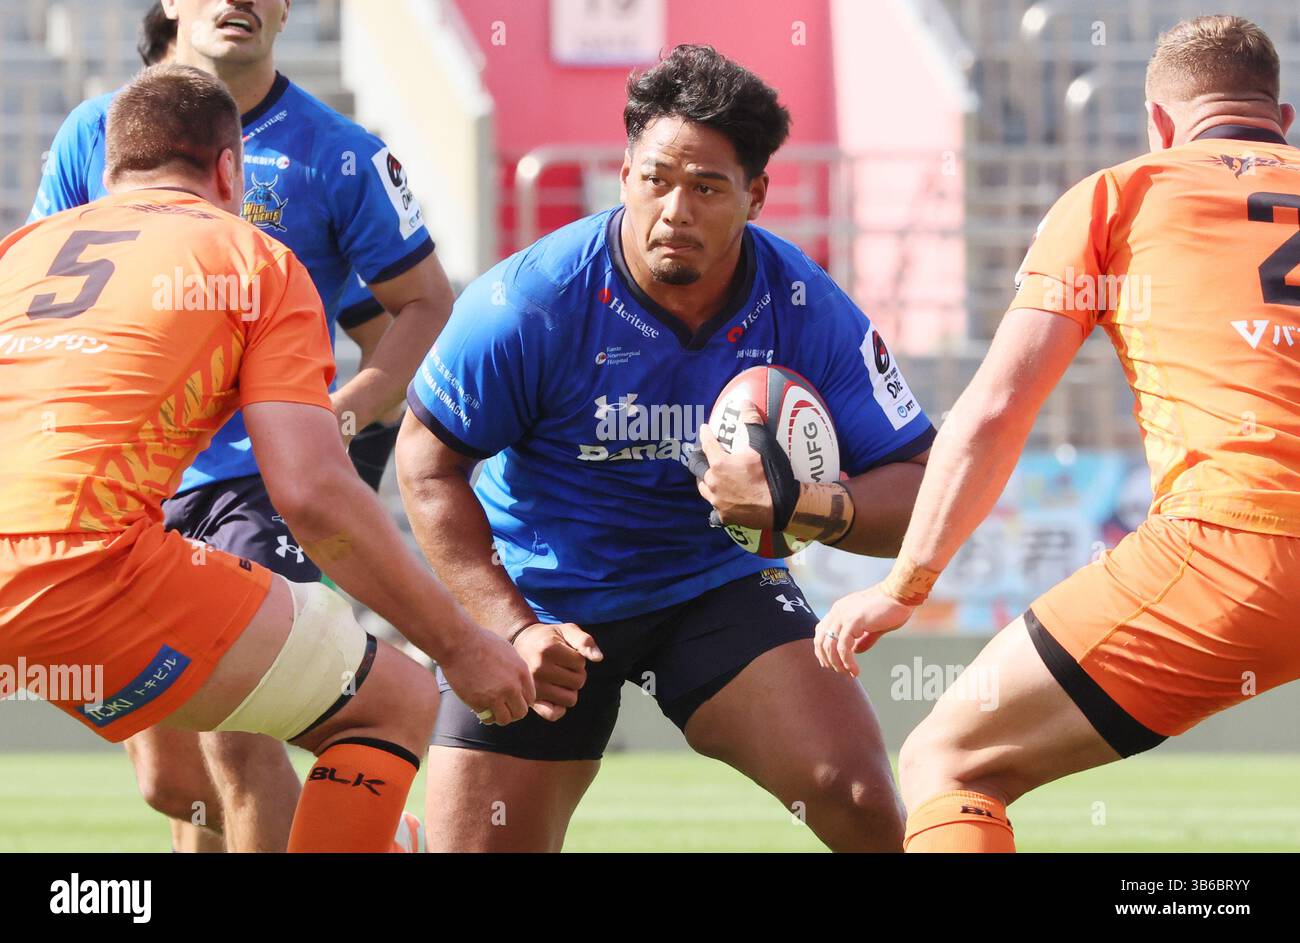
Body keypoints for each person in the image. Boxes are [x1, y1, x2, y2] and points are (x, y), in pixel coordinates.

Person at [397, 44, 936, 852]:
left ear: (756, 194)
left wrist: (806, 507)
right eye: (655, 179)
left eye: (707, 186)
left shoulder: (805, 305)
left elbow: (921, 487)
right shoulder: (528, 302)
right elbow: (426, 464)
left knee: (858, 798)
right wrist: (508, 628)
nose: (674, 209)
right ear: (624, 176)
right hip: (543, 596)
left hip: (714, 583)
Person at [0, 64, 532, 852]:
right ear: (228, 169)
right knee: (397, 700)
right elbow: (313, 492)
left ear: (105, 170)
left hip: (34, 585)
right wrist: (459, 642)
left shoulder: (21, 249)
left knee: (187, 784)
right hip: (86, 568)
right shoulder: (250, 256)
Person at [814, 14, 1300, 852]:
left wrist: (905, 586)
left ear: (1159, 123)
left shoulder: (1124, 191)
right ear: (1282, 121)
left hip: (1234, 545)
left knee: (951, 759)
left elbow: (999, 406)